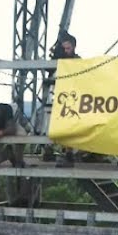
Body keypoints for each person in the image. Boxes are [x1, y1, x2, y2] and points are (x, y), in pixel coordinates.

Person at [47, 31, 83, 167]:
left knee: (70, 126)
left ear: (73, 47)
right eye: (64, 48)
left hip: (73, 98)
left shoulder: (78, 61)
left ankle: (69, 154)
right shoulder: (60, 60)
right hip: (61, 98)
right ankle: (55, 151)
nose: (66, 51)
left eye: (68, 48)